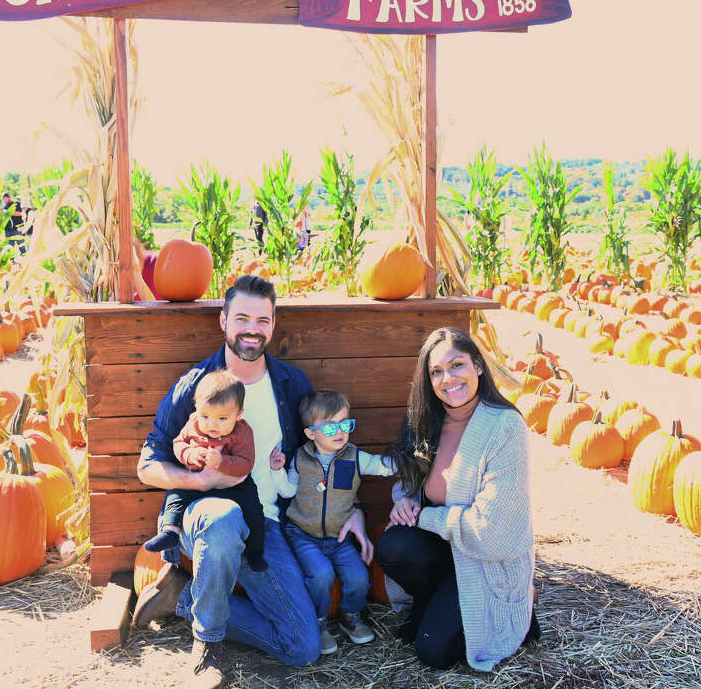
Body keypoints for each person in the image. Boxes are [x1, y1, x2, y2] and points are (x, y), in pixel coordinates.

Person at [132, 275, 368, 689]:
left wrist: (358, 511)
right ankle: (207, 648)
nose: (252, 329)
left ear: (273, 325)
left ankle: (185, 597)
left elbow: (321, 458)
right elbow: (147, 464)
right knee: (223, 517)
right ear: (223, 320)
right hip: (203, 515)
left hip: (267, 523)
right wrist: (198, 479)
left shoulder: (292, 385)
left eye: (262, 320)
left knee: (302, 647)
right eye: (242, 317)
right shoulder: (195, 385)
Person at [377, 327, 538, 672]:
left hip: (485, 559)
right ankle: (441, 599)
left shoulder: (504, 427)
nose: (447, 378)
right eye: (436, 371)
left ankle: (513, 607)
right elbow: (412, 477)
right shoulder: (428, 421)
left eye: (457, 365)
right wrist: (405, 502)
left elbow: (489, 530)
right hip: (447, 547)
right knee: (393, 547)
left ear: (478, 366)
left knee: (432, 652)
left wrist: (422, 518)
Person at [280, 389, 397, 655]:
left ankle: (349, 617)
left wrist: (412, 461)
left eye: (345, 424)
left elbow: (383, 466)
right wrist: (276, 470)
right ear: (311, 433)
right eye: (331, 426)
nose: (340, 431)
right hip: (304, 534)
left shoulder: (354, 457)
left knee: (359, 577)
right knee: (321, 576)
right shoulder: (300, 459)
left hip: (340, 536)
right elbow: (287, 490)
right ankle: (319, 623)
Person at [142, 369, 285, 572]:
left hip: (235, 484)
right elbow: (178, 443)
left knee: (254, 512)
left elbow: (246, 462)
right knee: (176, 494)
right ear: (197, 409)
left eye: (222, 419)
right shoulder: (193, 423)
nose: (212, 424)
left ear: (238, 415)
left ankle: (255, 552)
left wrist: (222, 462)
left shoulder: (243, 432)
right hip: (197, 478)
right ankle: (170, 531)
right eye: (206, 416)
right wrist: (189, 454)